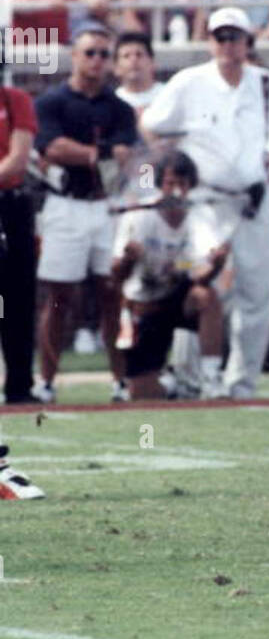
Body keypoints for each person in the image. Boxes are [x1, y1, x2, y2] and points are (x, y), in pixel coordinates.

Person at [142, 7, 269, 399]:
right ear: (210, 41)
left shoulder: (266, 82)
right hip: (205, 202)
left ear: (248, 43)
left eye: (235, 37)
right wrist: (174, 168)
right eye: (220, 37)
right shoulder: (188, 81)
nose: (227, 45)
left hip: (255, 199)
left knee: (257, 295)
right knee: (200, 288)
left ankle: (241, 385)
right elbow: (151, 124)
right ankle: (191, 380)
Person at [33, 25, 140, 404]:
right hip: (66, 204)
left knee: (112, 293)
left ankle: (120, 381)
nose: (97, 60)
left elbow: (128, 154)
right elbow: (51, 147)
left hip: (106, 206)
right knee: (59, 297)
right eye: (90, 52)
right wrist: (99, 153)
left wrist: (87, 153)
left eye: (103, 54)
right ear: (74, 56)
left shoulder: (119, 108)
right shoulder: (52, 102)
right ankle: (45, 381)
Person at [111, 151, 229, 401]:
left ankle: (211, 378)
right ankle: (173, 384)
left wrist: (217, 263)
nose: (176, 191)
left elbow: (202, 276)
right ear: (160, 184)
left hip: (179, 297)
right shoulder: (140, 216)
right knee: (142, 394)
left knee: (206, 296)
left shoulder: (200, 216)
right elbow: (117, 276)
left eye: (182, 185)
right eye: (170, 183)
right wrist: (129, 258)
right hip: (144, 304)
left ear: (190, 186)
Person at [0, 77, 38, 406]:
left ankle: (19, 386)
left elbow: (18, 159)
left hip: (8, 203)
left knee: (18, 299)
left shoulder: (15, 100)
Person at [114, 31, 162, 124]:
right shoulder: (112, 101)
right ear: (116, 68)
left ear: (152, 63)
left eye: (139, 54)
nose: (133, 60)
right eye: (126, 56)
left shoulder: (167, 94)